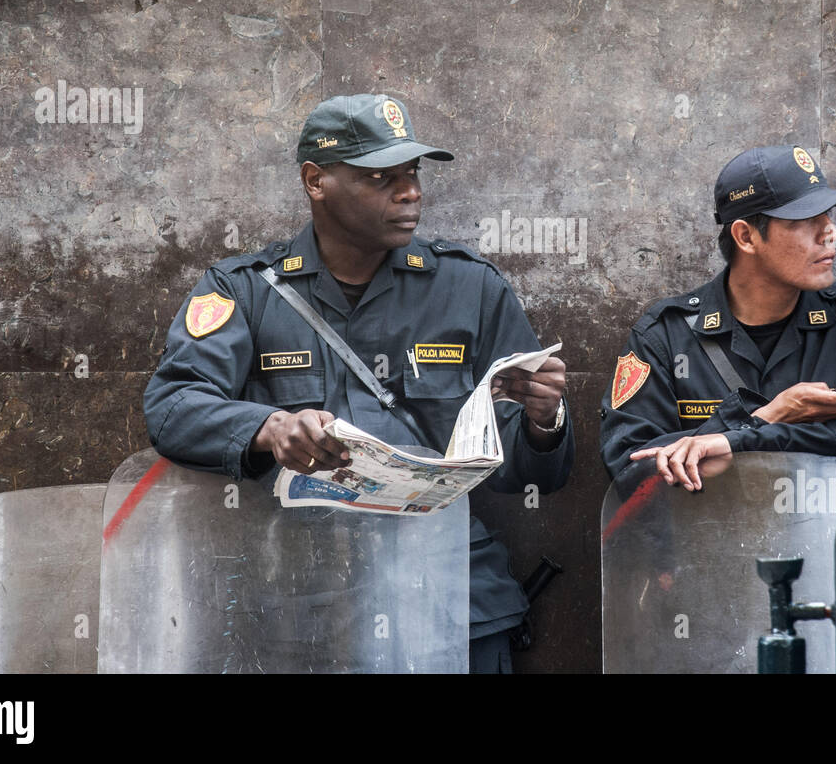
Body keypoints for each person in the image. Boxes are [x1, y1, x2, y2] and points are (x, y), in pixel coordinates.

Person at [144, 93, 573, 673]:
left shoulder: (469, 288)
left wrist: (546, 422)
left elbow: (534, 476)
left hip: (450, 603)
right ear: (316, 181)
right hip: (301, 607)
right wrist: (269, 428)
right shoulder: (244, 290)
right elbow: (172, 406)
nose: (410, 192)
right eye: (381, 177)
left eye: (413, 173)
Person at [599, 144, 836, 489]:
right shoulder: (666, 335)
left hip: (827, 537)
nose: (829, 232)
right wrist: (770, 414)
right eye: (806, 219)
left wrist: (739, 439)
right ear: (746, 237)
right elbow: (631, 468)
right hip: (706, 536)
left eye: (829, 216)